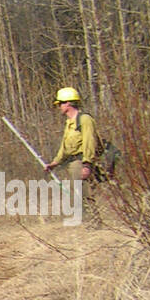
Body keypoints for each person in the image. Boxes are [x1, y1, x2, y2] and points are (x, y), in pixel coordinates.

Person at [44, 87, 100, 225]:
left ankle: (94, 223)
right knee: (78, 194)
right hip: (72, 163)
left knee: (85, 194)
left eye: (61, 104)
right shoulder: (70, 123)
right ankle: (88, 222)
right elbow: (65, 147)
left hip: (81, 162)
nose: (59, 107)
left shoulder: (85, 120)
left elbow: (89, 142)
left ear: (68, 103)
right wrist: (55, 163)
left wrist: (87, 165)